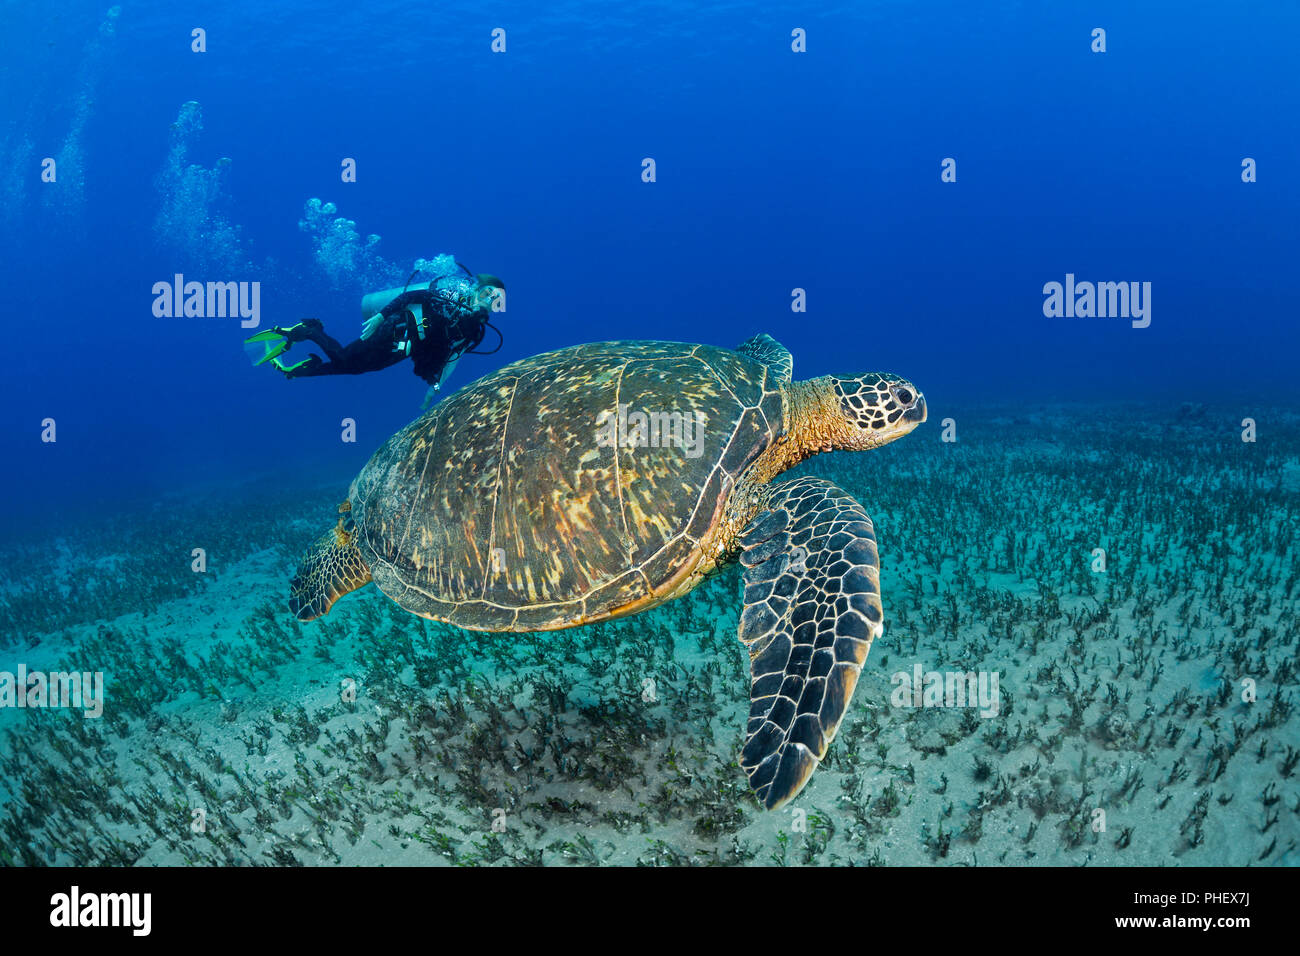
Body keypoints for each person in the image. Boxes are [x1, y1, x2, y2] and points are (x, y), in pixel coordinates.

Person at [247, 262, 504, 400]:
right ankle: (310, 330)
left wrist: (435, 386)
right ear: (474, 289)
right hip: (393, 330)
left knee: (355, 368)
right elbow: (414, 296)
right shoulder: (451, 296)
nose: (487, 302)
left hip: (406, 348)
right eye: (485, 294)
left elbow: (454, 356)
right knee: (344, 358)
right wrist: (381, 317)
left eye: (494, 301)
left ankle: (296, 372)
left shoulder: (473, 328)